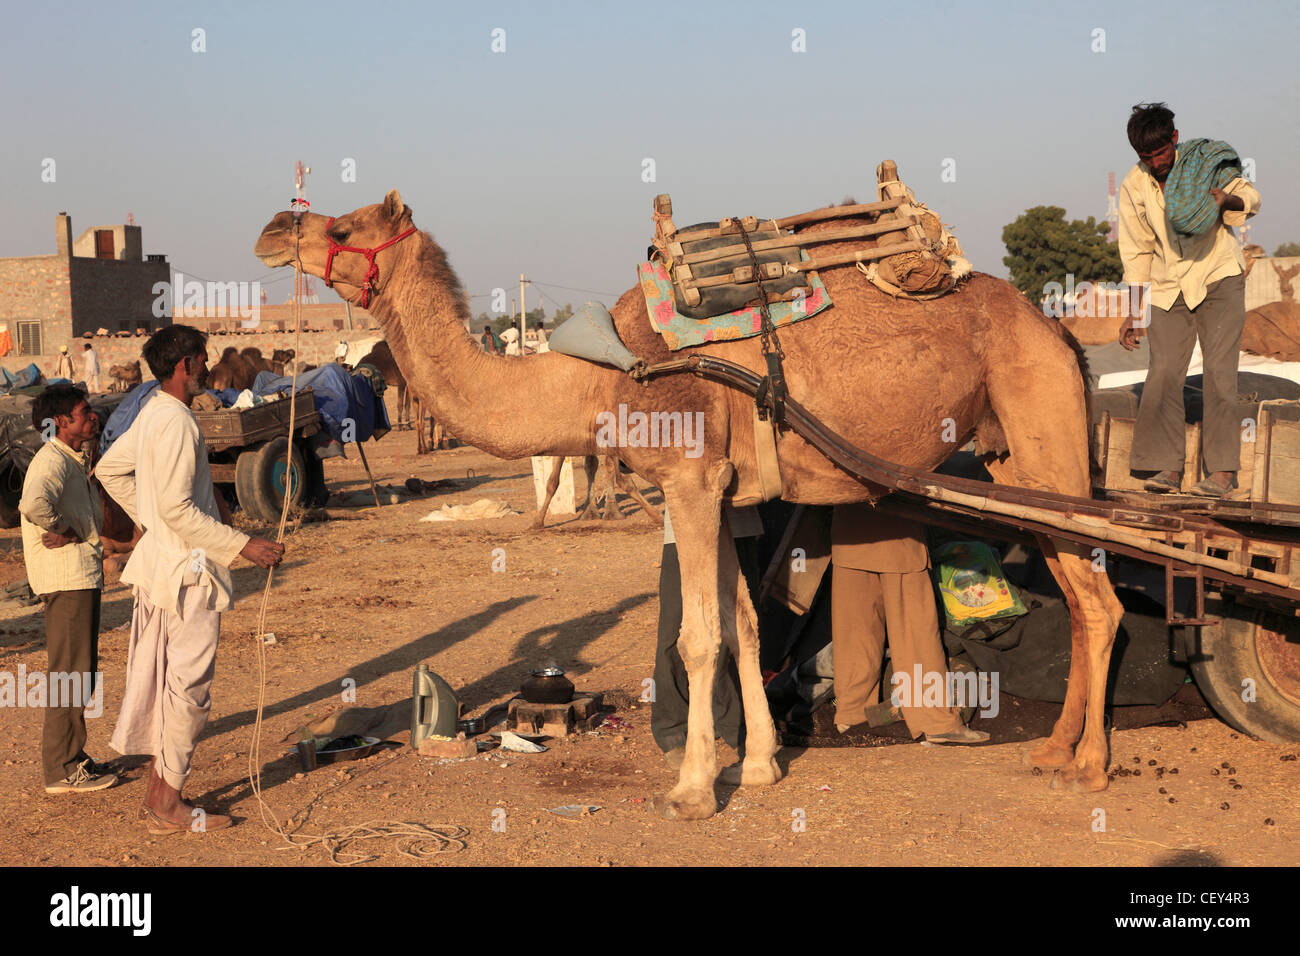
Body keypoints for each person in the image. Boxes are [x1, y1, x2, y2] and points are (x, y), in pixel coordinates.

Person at [96, 325, 285, 834]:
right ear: (185, 365)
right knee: (188, 691)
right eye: (201, 360)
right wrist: (244, 545)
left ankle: (162, 794)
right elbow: (178, 509)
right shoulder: (176, 420)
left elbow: (111, 470)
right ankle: (168, 804)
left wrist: (150, 519)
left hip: (162, 568)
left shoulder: (153, 411)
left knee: (169, 687)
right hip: (187, 576)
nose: (206, 367)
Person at [1118, 102, 1261, 498]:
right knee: (1163, 374)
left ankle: (1222, 472)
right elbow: (1136, 250)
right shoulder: (1135, 184)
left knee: (1219, 374)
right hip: (1168, 288)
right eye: (1146, 157)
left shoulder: (1204, 163)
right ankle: (1167, 467)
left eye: (1160, 153)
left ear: (1174, 139)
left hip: (1218, 277)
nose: (1155, 163)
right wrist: (1134, 312)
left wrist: (1221, 202)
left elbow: (1250, 200)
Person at [19, 385, 117, 794]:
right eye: (83, 411)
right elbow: (33, 504)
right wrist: (65, 528)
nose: (92, 417)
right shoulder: (51, 461)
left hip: (77, 578)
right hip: (67, 581)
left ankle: (72, 757)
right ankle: (62, 768)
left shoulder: (70, 459)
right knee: (71, 674)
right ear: (61, 422)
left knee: (78, 673)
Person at [830, 504, 987, 744]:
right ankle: (935, 722)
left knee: (854, 629)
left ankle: (852, 713)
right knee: (915, 631)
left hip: (849, 537)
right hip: (898, 538)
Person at [652, 505, 764, 769]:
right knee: (676, 628)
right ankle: (671, 728)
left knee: (740, 627)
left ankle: (734, 722)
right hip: (685, 526)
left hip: (741, 525)